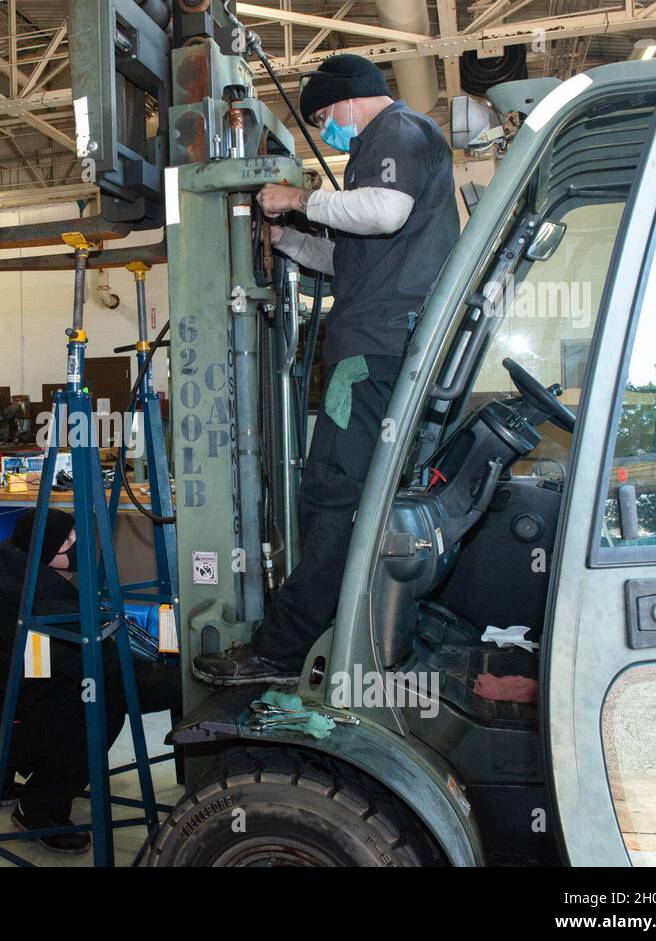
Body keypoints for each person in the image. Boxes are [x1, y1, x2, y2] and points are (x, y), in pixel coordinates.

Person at [192, 53, 460, 686]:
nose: (330, 132)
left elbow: (381, 211)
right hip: (385, 346)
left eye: (322, 119)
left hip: (370, 355)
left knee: (332, 499)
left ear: (343, 103)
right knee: (345, 499)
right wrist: (285, 240)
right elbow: (351, 260)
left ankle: (279, 651)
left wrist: (298, 198)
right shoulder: (402, 153)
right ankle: (332, 630)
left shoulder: (394, 131)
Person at [0, 508, 179, 853]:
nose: (76, 546)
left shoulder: (11, 575)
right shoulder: (45, 607)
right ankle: (39, 811)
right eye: (67, 542)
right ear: (43, 551)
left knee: (71, 688)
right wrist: (182, 684)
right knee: (102, 709)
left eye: (74, 536)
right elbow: (111, 674)